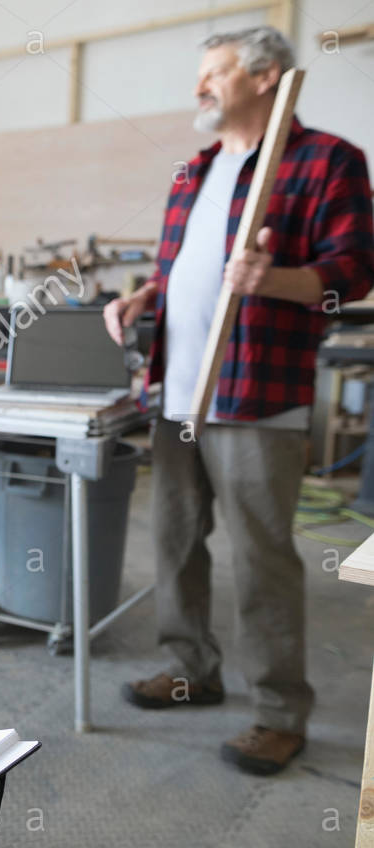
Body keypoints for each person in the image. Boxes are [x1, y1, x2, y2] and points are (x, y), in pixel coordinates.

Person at [104, 27, 374, 774]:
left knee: (262, 560)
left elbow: (352, 272)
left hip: (258, 394)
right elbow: (185, 267)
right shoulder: (194, 169)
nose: (199, 88)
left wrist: (278, 279)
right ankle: (192, 669)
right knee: (176, 544)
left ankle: (280, 711)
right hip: (179, 393)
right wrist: (144, 296)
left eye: (214, 74)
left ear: (265, 77)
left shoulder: (327, 159)